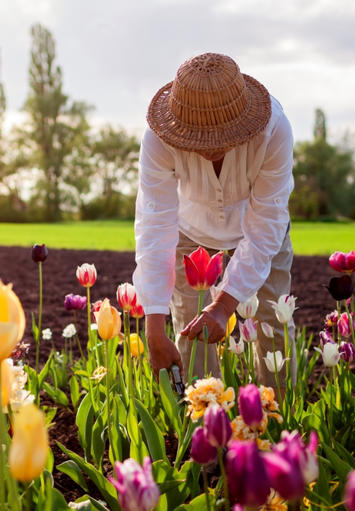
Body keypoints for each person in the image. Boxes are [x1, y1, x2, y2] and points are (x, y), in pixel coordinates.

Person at [132, 52, 295, 388]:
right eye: (198, 138)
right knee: (191, 330)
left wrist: (223, 306)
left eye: (221, 137)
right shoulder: (158, 140)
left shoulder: (274, 130)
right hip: (190, 229)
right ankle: (206, 419)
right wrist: (153, 330)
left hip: (259, 226)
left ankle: (275, 421)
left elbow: (266, 225)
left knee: (272, 322)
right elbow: (154, 227)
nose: (209, 148)